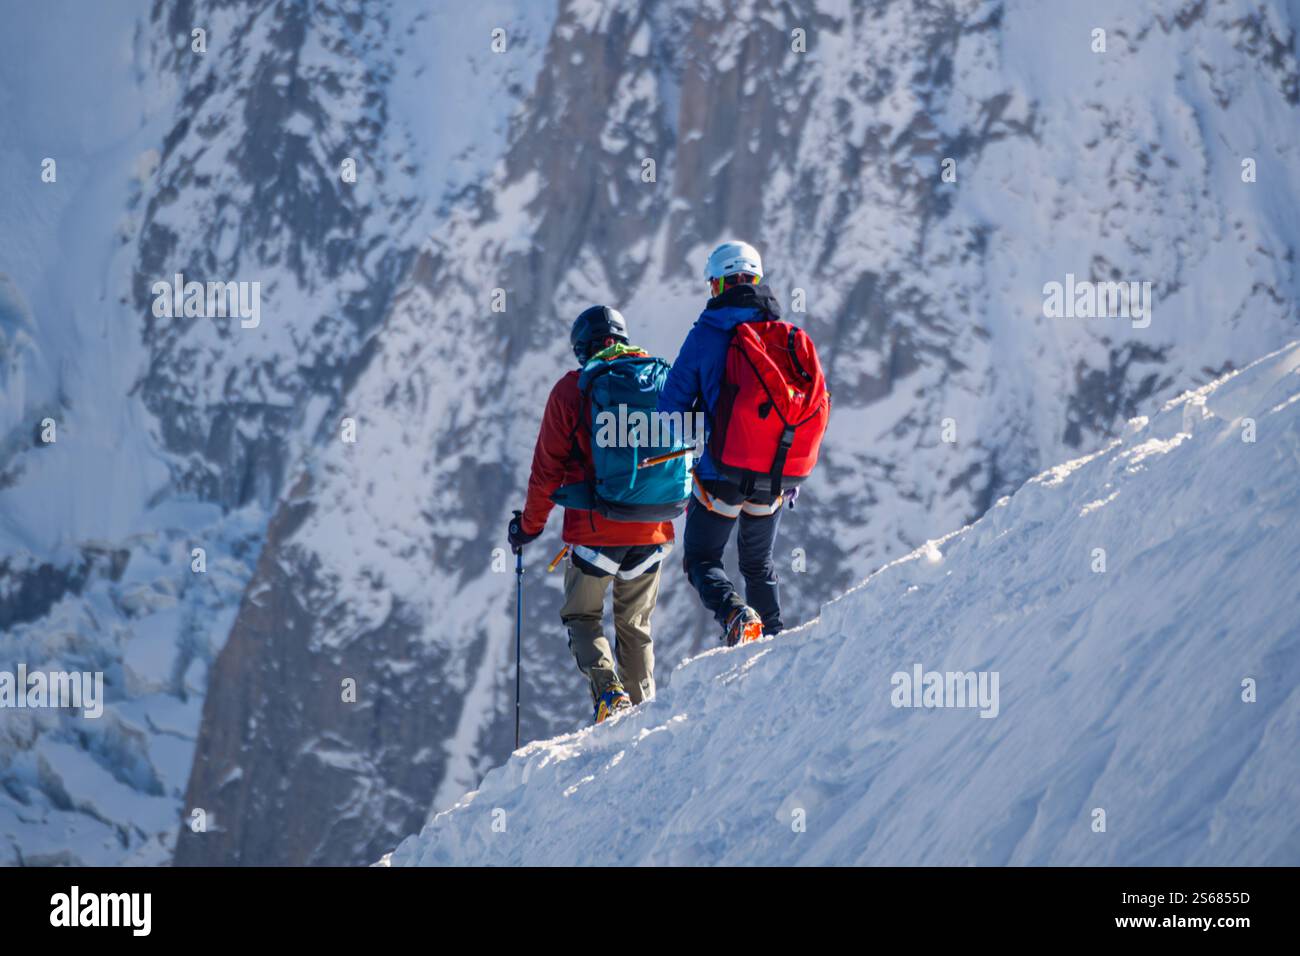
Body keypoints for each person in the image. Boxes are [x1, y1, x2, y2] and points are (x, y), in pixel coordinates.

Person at [508, 306, 675, 723]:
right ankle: (643, 712)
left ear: (582, 348)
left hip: (596, 533)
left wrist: (528, 527)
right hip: (654, 527)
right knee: (635, 625)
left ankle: (609, 696)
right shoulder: (660, 377)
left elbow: (546, 471)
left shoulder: (573, 389)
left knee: (582, 616)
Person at [659, 240, 827, 646]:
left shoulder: (705, 335)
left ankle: (736, 615)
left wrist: (687, 446)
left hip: (721, 472)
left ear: (717, 285)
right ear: (756, 280)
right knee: (758, 563)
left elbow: (670, 406)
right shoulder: (784, 335)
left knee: (702, 558)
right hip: (775, 476)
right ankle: (773, 636)